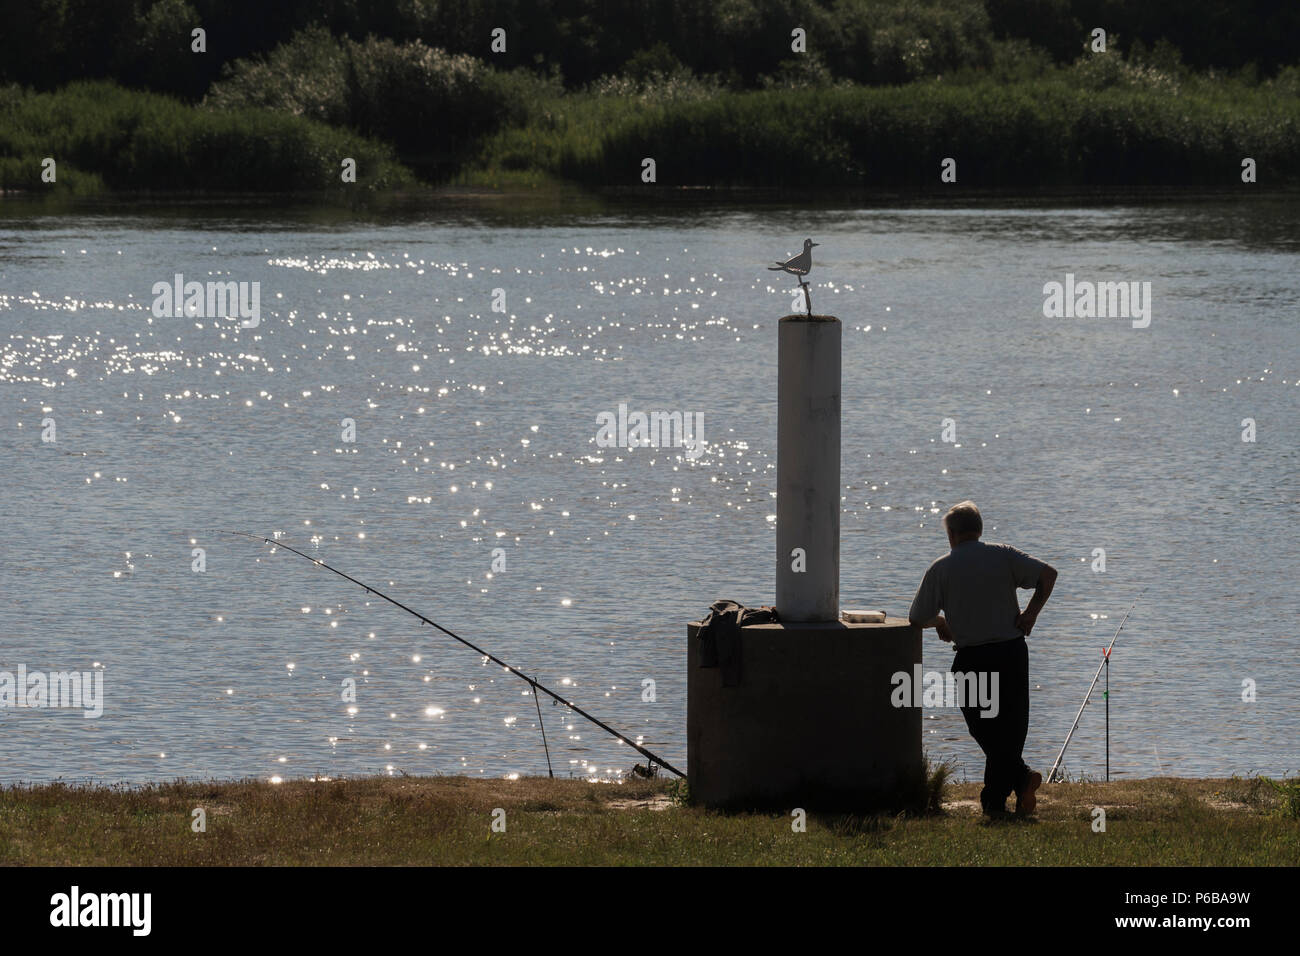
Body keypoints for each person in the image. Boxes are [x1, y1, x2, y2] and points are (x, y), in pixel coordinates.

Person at [908, 501, 1057, 818]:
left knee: (986, 730)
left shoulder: (942, 567)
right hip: (1012, 653)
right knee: (1010, 731)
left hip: (972, 658)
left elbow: (917, 617)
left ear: (951, 534)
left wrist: (941, 622)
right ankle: (1003, 795)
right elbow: (1048, 575)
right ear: (979, 530)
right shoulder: (1003, 554)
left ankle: (1010, 788)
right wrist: (1030, 614)